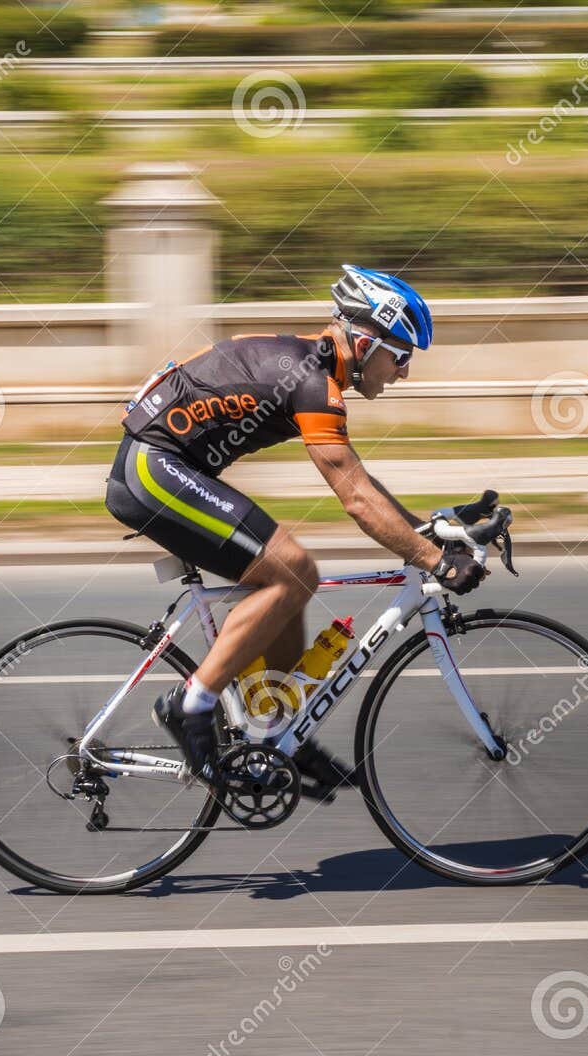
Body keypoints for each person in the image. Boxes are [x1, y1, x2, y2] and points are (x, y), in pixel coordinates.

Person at [106, 265, 487, 797]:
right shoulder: (313, 381)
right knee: (292, 570)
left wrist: (429, 531)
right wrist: (436, 560)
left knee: (292, 583)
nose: (403, 373)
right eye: (401, 356)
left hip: (169, 467)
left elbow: (359, 479)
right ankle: (190, 702)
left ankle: (273, 726)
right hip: (153, 470)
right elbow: (354, 498)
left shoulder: (314, 371)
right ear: (365, 339)